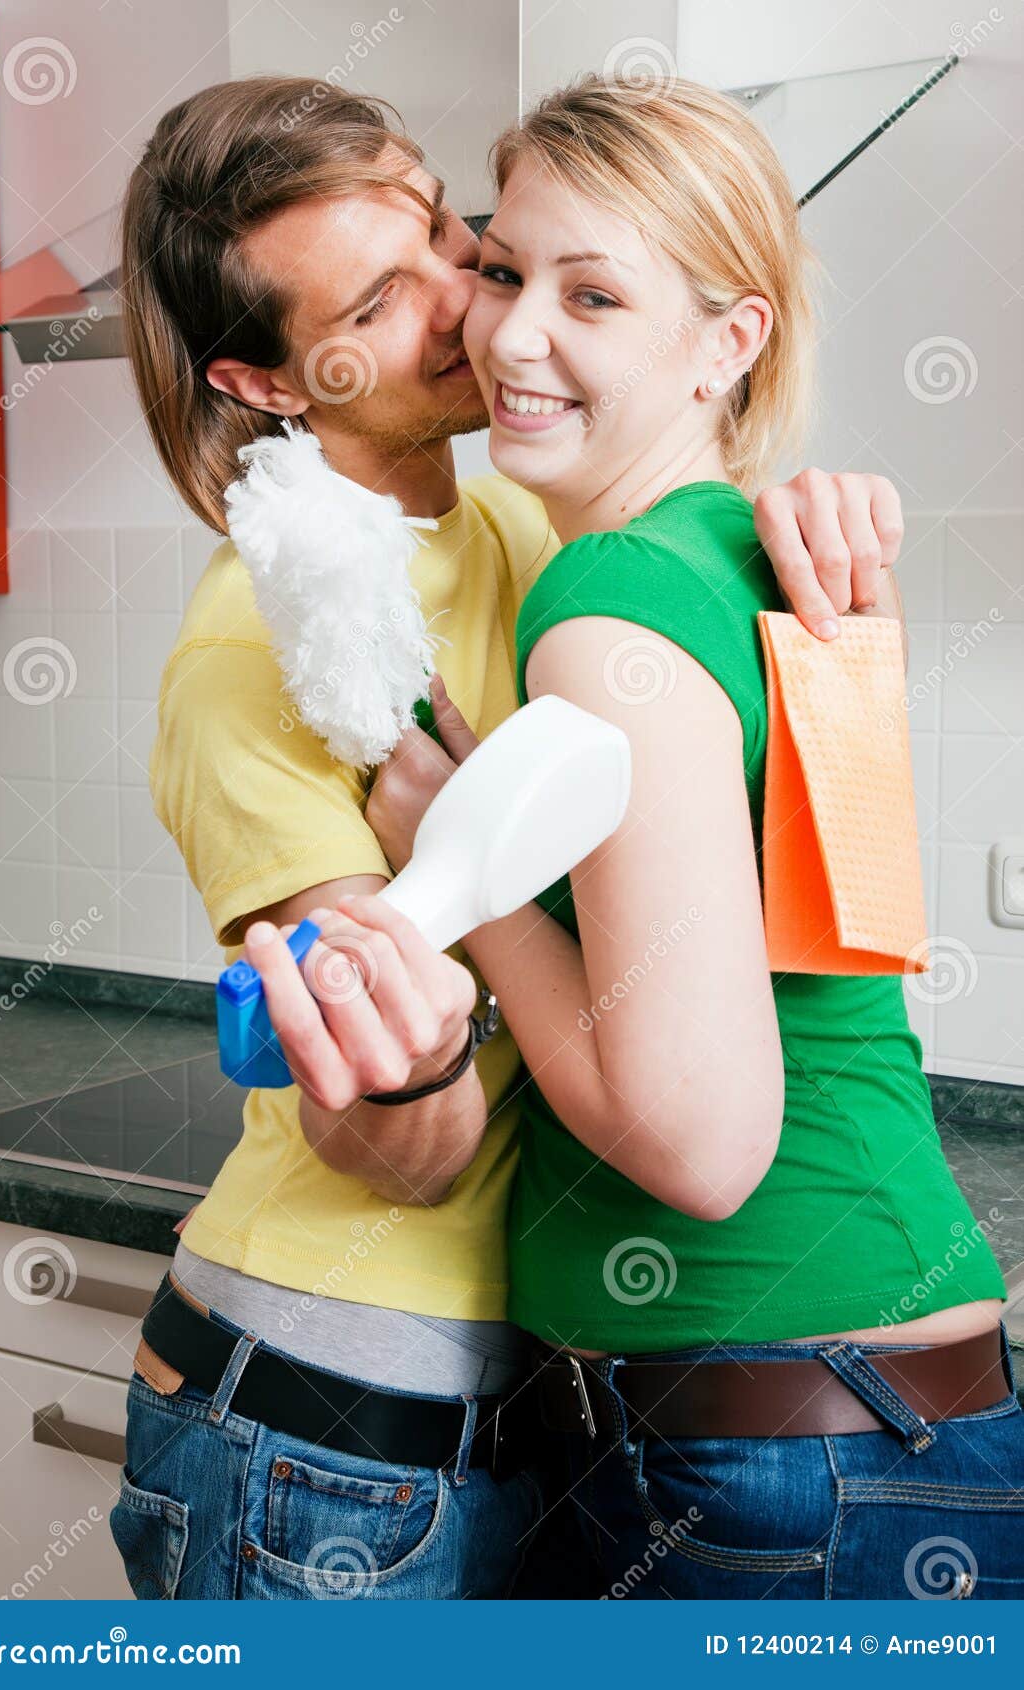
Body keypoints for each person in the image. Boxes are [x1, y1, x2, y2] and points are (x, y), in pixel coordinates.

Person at [113, 74, 911, 1601]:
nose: (471, 298)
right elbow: (388, 1144)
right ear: (275, 383)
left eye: (438, 227)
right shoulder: (249, 650)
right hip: (327, 1424)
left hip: (542, 1401)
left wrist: (802, 506)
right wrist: (412, 1036)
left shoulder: (526, 529)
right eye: (386, 295)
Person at [366, 75, 1024, 1601]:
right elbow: (851, 927)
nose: (513, 334)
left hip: (762, 1461)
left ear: (730, 341)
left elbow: (702, 1146)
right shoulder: (768, 560)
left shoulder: (607, 601)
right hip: (887, 1420)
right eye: (506, 267)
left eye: (594, 293)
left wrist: (460, 879)